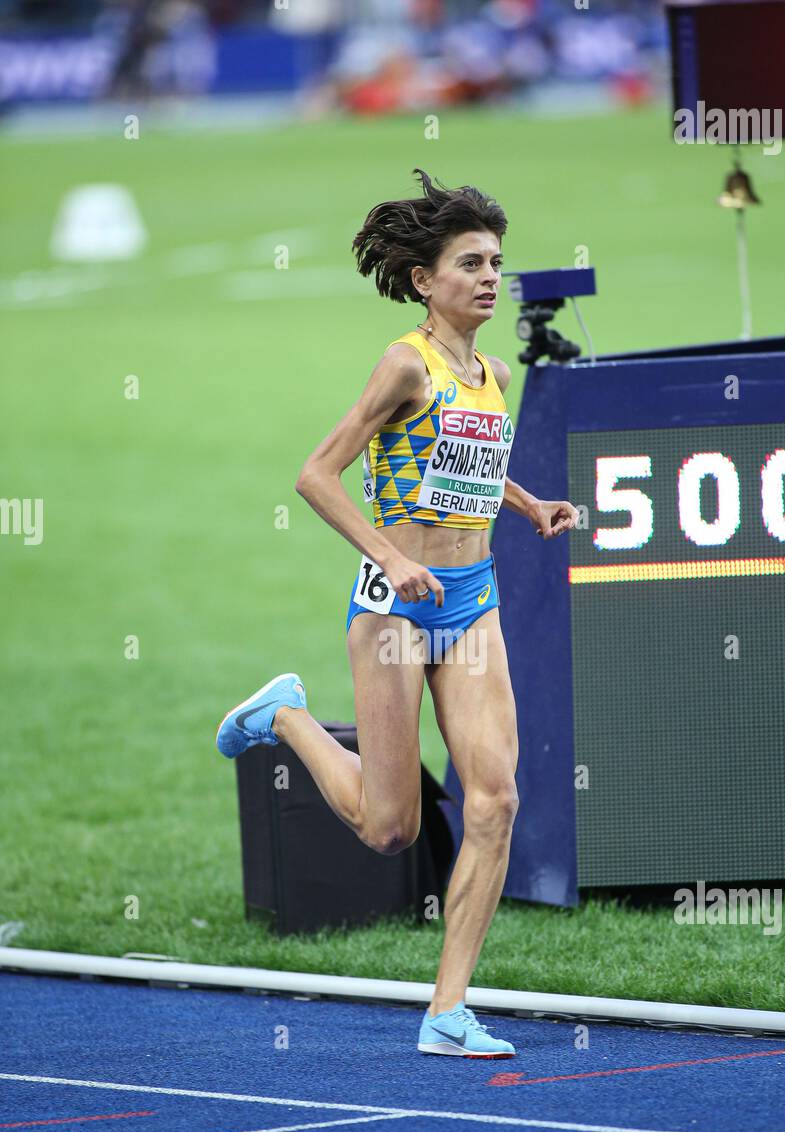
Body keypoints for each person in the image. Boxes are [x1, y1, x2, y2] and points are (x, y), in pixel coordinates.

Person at [216, 167, 577, 1057]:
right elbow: (316, 474)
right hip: (394, 606)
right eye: (470, 263)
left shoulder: (490, 370)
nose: (491, 277)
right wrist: (389, 555)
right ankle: (285, 716)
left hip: (474, 599)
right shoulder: (403, 363)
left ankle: (448, 1011)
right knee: (391, 828)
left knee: (494, 801)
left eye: (497, 261)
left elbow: (471, 468)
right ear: (425, 280)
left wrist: (527, 507)